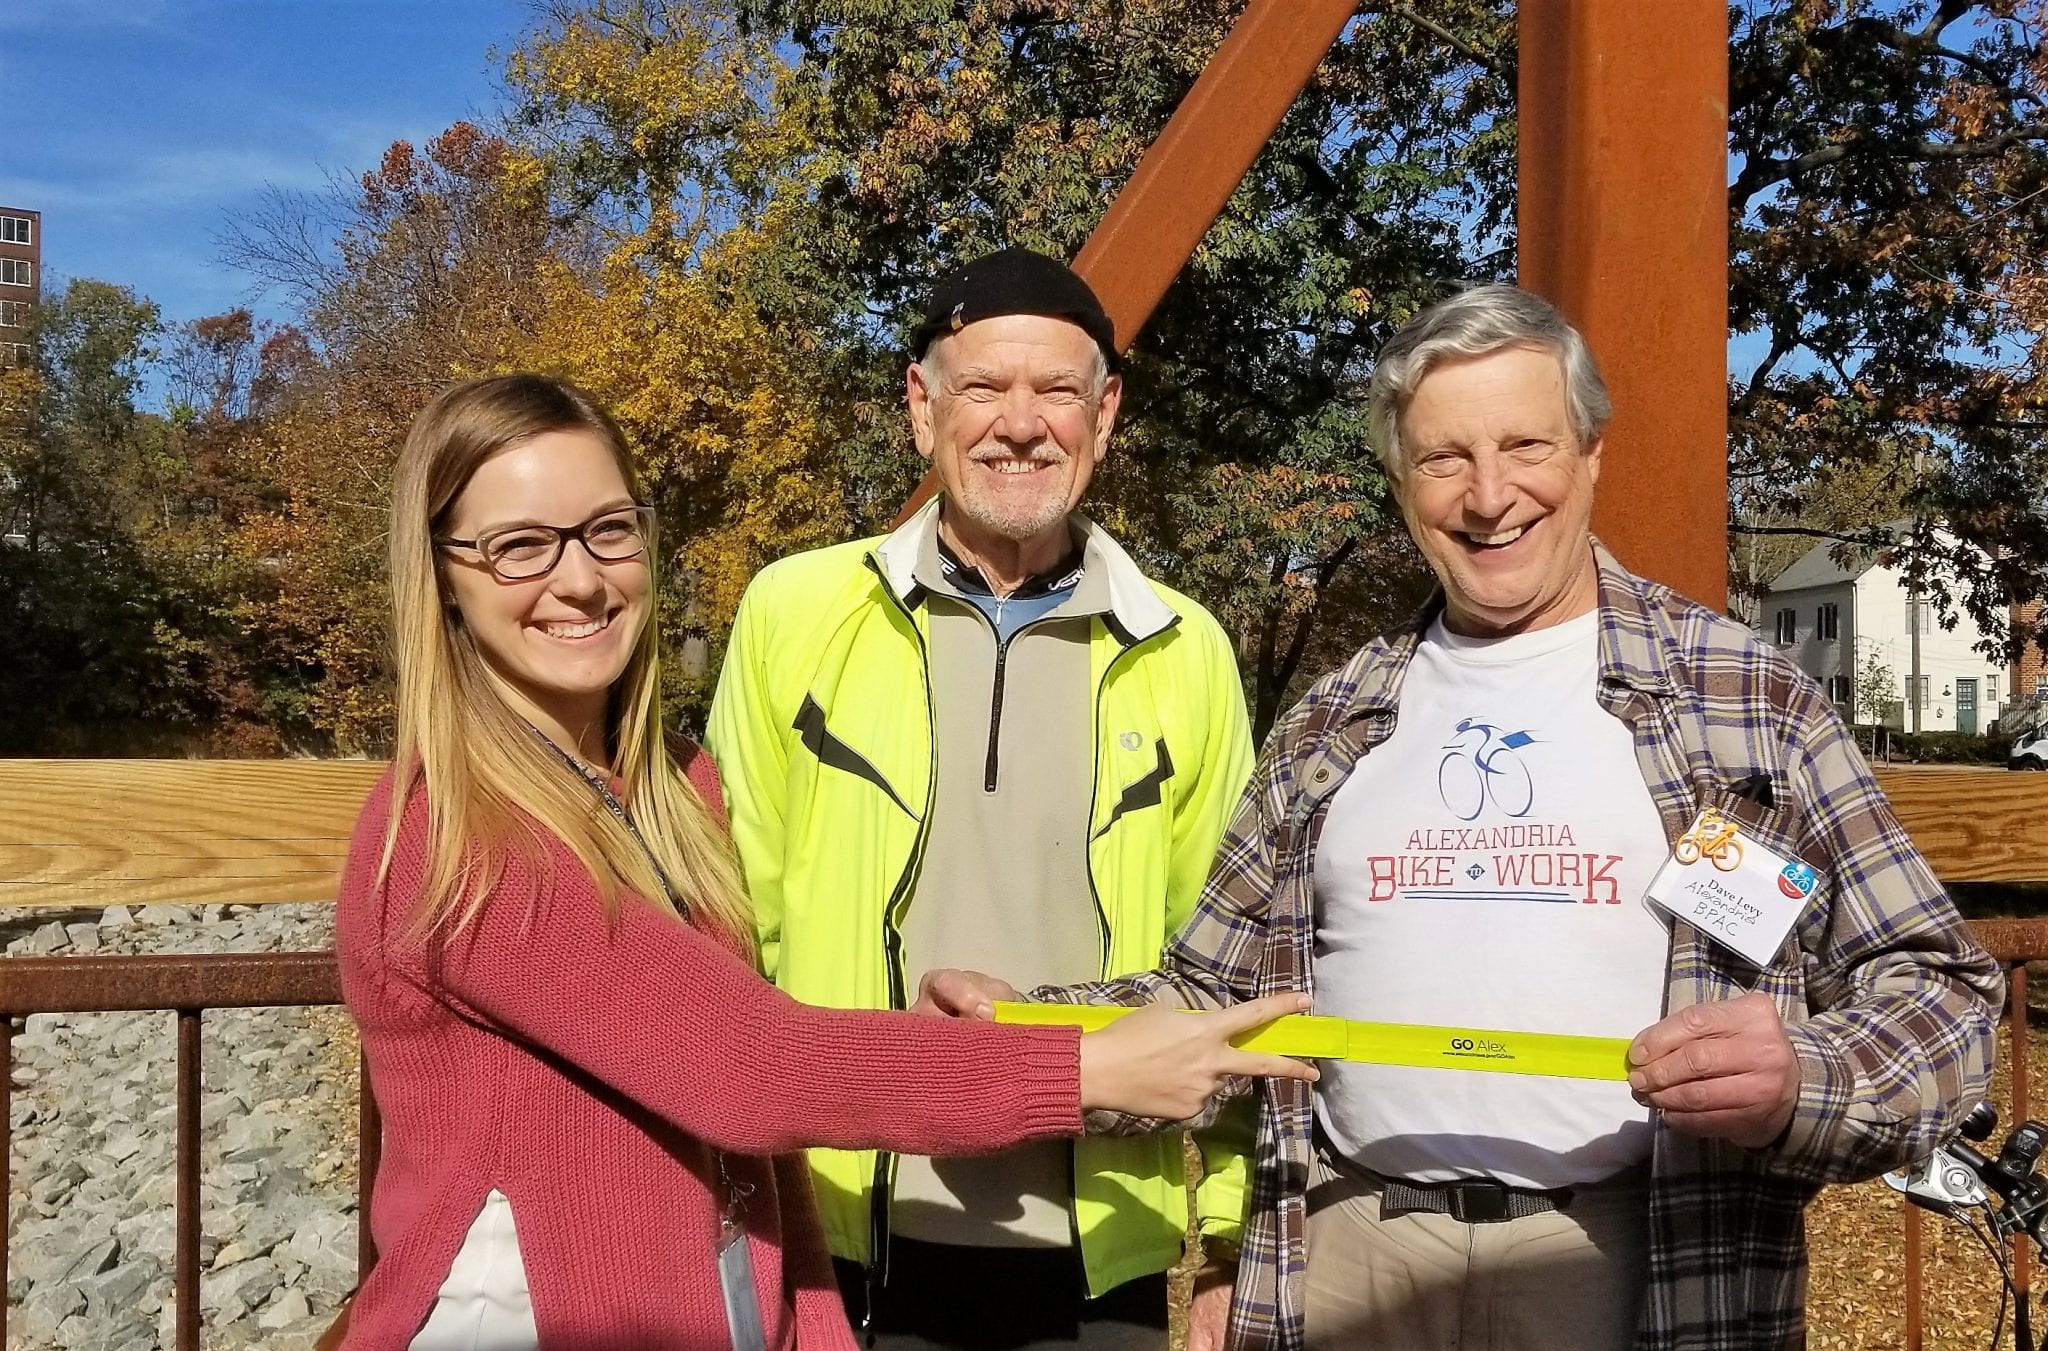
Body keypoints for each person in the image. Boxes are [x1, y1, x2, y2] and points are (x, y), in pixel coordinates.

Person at [924, 284, 2004, 1351]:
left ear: (1590, 454)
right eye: (1444, 458)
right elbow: (1211, 994)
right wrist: (1029, 1027)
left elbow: (1941, 995)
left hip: (1643, 1265)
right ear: (1402, 486)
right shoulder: (1333, 721)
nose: (1489, 495)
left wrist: (1801, 1079)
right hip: (1346, 1256)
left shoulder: (1744, 699)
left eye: (1526, 446)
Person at [332, 373, 1313, 1349]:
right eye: (518, 546)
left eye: (609, 529)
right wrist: (1086, 1066)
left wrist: (819, 1310)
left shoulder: (674, 785)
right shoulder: (452, 837)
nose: (581, 579)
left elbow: (738, 1114)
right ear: (443, 577)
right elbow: (749, 1068)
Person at [705, 248, 1257, 1348]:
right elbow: (726, 925)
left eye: (1057, 391)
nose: (1020, 424)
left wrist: (1228, 1241)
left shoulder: (1184, 648)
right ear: (922, 408)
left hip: (1103, 1241)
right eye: (981, 388)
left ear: (1105, 415)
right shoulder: (793, 612)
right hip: (838, 1226)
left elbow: (1228, 961)